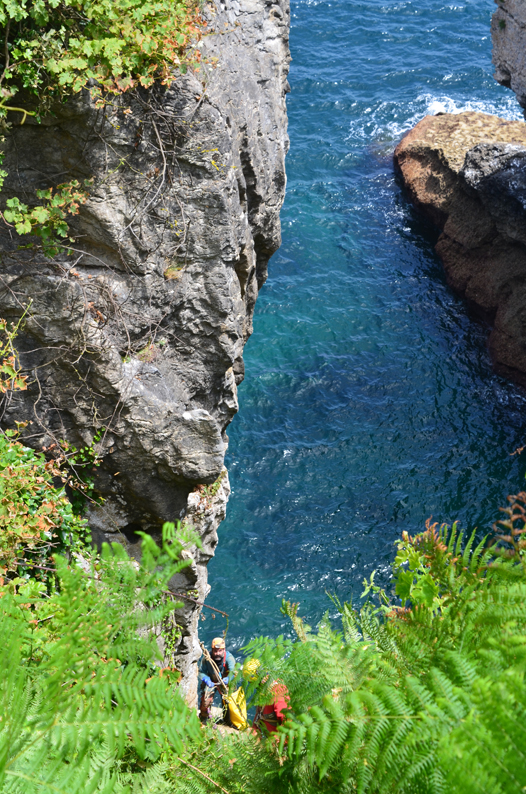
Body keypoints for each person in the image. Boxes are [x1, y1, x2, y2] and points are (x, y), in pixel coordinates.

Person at [199, 637, 236, 722]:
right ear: (212, 650)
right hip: (211, 681)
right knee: (206, 699)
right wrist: (206, 679)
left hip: (225, 682)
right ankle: (204, 718)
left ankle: (228, 720)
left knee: (229, 701)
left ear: (224, 650)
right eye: (215, 651)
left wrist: (228, 678)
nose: (217, 653)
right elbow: (201, 672)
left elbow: (233, 672)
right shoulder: (207, 658)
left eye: (220, 651)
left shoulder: (229, 658)